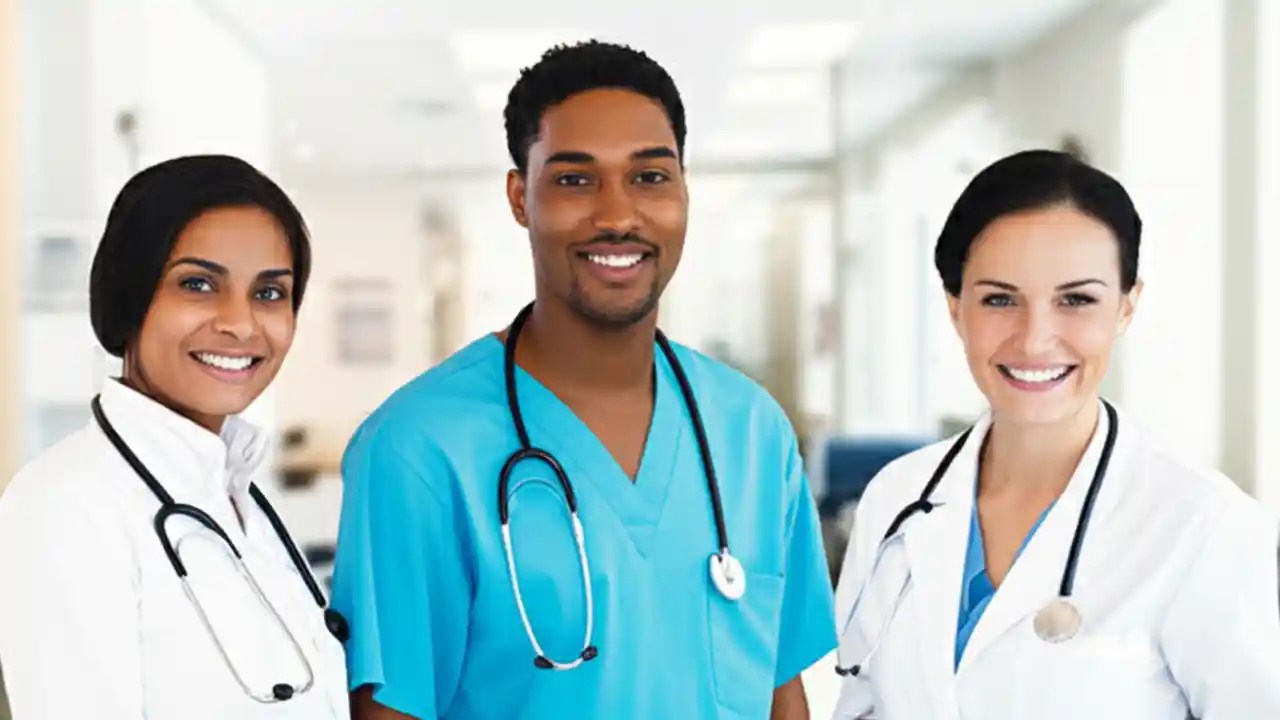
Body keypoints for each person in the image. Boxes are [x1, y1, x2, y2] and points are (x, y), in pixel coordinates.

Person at [329, 41, 836, 720]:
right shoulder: (417, 448)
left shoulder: (752, 430)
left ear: (685, 189)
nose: (618, 215)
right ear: (520, 197)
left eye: (650, 177)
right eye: (574, 180)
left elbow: (781, 691)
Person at [830, 149, 1280, 719]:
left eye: (1076, 300)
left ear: (1125, 307)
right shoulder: (898, 498)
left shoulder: (1204, 525)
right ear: (954, 310)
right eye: (999, 299)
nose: (1035, 338)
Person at [0, 155, 350, 719]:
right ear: (129, 297)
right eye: (198, 284)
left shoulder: (240, 497)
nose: (240, 324)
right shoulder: (63, 504)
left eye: (269, 293)